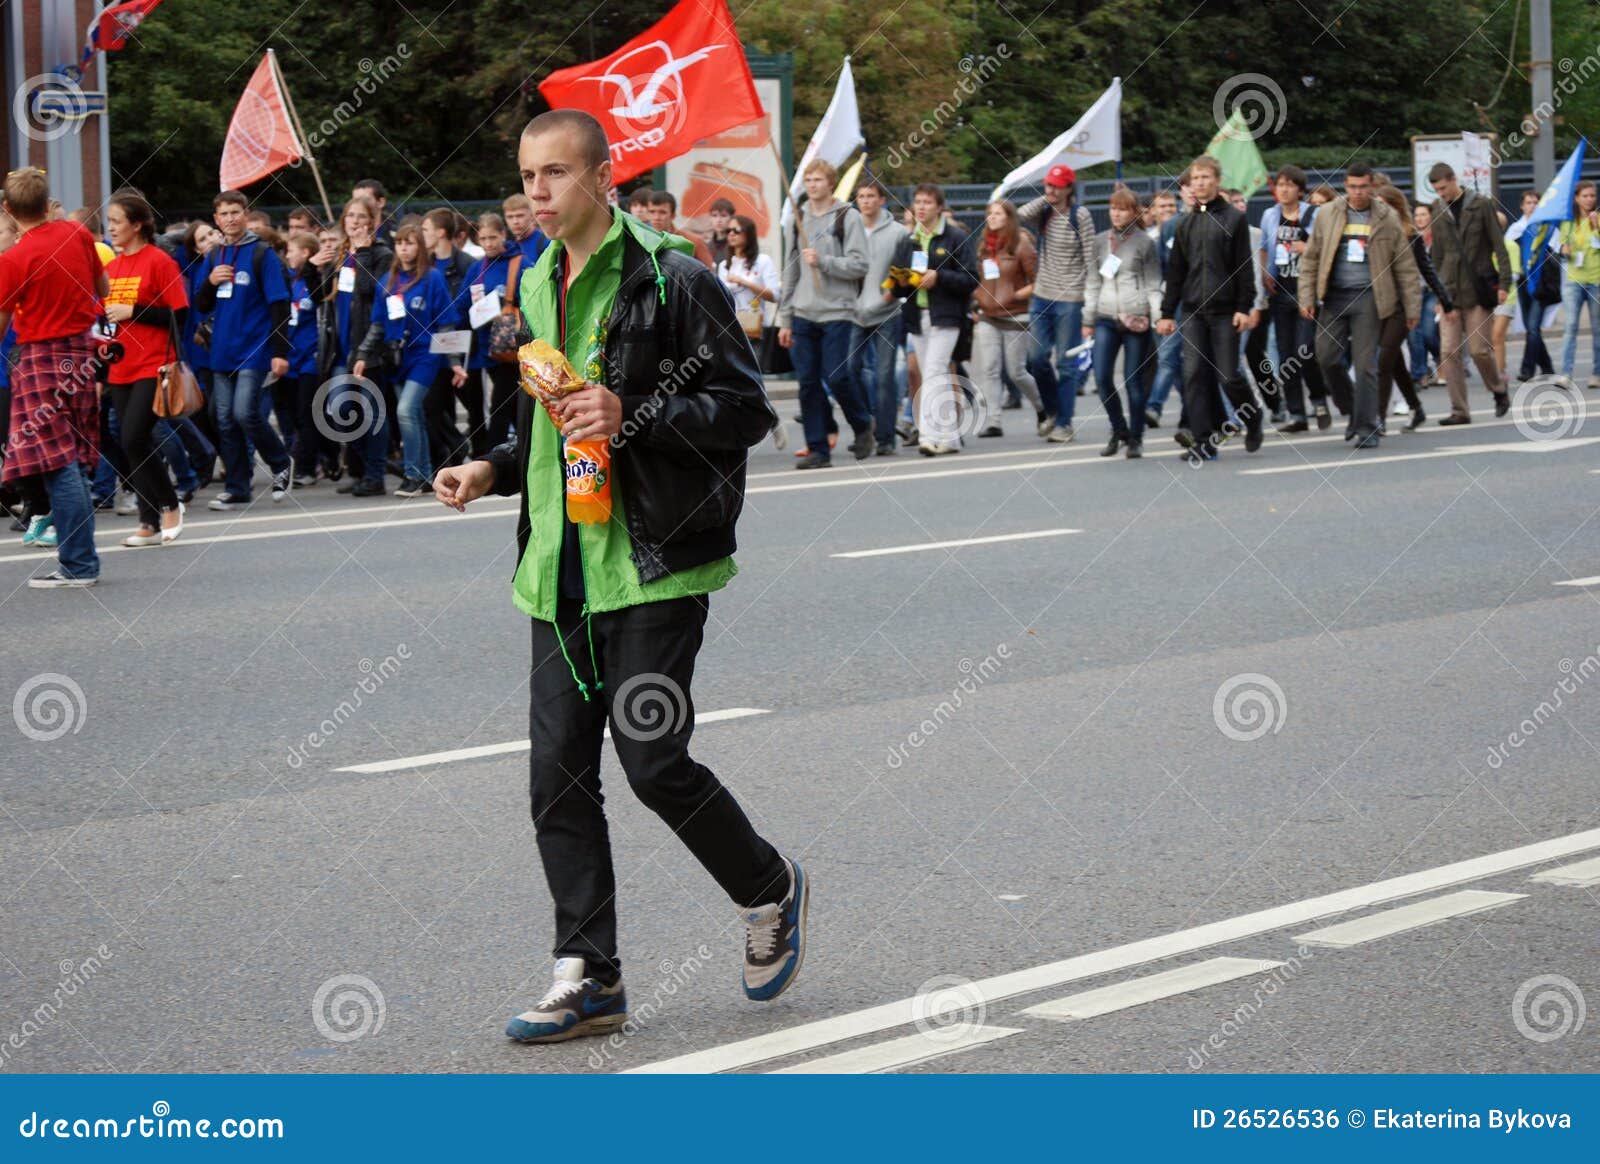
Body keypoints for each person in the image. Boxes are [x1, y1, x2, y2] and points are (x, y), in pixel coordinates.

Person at [433, 110, 803, 1043]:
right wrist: (493, 466)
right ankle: (590, 977)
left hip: (652, 567)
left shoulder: (672, 277)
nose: (537, 192)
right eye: (527, 175)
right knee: (555, 783)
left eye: (556, 174)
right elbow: (556, 420)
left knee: (653, 764)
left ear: (603, 177)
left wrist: (634, 408)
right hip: (557, 569)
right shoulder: (533, 278)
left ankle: (770, 887)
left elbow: (745, 409)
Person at [0, 168, 108, 587]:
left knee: (59, 466)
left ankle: (79, 565)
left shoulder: (13, 259)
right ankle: (81, 560)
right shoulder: (77, 234)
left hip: (42, 356)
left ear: (8, 209)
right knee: (73, 462)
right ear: (47, 203)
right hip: (80, 352)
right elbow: (103, 285)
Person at [1299, 162, 1420, 449]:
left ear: (1372, 186)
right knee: (1326, 357)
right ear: (1345, 185)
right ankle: (1353, 410)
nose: (1358, 192)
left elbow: (1405, 266)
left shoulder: (1386, 216)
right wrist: (1305, 297)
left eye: (1363, 187)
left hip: (1369, 297)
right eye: (1352, 187)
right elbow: (1312, 258)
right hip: (1334, 296)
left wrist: (1412, 308)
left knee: (1366, 365)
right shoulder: (1328, 213)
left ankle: (1367, 427)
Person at [191, 190, 293, 509]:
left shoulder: (262, 254)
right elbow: (200, 303)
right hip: (221, 351)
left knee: (244, 412)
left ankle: (280, 463)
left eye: (236, 212)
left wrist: (280, 352)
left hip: (255, 348)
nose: (231, 218)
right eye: (224, 214)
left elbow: (280, 306)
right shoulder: (213, 256)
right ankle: (238, 487)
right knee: (224, 419)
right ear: (216, 219)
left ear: (246, 214)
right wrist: (209, 281)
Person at [1157, 155, 1260, 462]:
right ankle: (1203, 442)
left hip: (1225, 310)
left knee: (1228, 376)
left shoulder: (1233, 219)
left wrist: (1244, 306)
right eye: (1195, 178)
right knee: (1194, 375)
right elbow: (1176, 272)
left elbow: (1244, 266)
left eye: (1205, 177)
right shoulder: (1185, 223)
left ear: (1216, 181)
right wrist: (1165, 313)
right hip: (1192, 311)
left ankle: (1252, 418)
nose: (1199, 183)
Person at [101, 190, 189, 546]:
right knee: (132, 442)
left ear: (137, 225)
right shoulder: (110, 268)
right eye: (108, 222)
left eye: (117, 222)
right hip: (120, 365)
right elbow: (105, 322)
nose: (111, 229)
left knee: (134, 436)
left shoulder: (158, 261)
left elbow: (178, 314)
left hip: (154, 364)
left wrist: (133, 311)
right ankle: (147, 521)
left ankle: (170, 504)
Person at [350, 224, 463, 497]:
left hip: (425, 355)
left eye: (410, 243)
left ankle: (413, 474)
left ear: (420, 247)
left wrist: (455, 362)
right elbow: (377, 325)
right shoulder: (388, 281)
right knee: (414, 416)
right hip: (397, 357)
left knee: (405, 410)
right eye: (400, 243)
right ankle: (423, 475)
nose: (404, 248)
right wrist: (363, 355)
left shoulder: (433, 278)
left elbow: (445, 324)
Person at [776, 158, 875, 469]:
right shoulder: (798, 217)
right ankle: (818, 448)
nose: (812, 185)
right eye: (808, 180)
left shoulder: (848, 216)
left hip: (838, 310)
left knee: (837, 375)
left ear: (830, 183)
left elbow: (860, 264)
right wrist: (785, 316)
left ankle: (862, 424)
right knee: (807, 382)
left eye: (818, 180)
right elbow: (791, 268)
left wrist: (825, 262)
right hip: (805, 311)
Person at [308, 196, 393, 492]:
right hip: (340, 347)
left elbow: (372, 291)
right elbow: (320, 296)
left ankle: (374, 476)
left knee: (371, 412)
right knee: (338, 409)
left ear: (371, 222)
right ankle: (360, 468)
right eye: (350, 216)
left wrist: (365, 250)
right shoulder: (342, 253)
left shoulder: (381, 253)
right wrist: (315, 268)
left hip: (366, 346)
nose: (354, 222)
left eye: (361, 217)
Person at [891, 182, 976, 456]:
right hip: (918, 315)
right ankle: (950, 437)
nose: (921, 207)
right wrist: (901, 280)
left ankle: (927, 435)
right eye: (918, 202)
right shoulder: (909, 240)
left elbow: (971, 278)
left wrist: (939, 278)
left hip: (947, 316)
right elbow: (897, 282)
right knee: (933, 372)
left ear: (939, 207)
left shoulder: (955, 238)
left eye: (927, 203)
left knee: (934, 370)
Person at [1426, 162, 1513, 423]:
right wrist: (1439, 296)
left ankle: (1498, 389)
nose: (1441, 194)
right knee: (1449, 352)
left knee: (1479, 350)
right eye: (1437, 190)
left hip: (1478, 289)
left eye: (1443, 188)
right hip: (1450, 292)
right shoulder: (1437, 210)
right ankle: (1459, 410)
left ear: (1453, 179)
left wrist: (1505, 284)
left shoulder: (1481, 204)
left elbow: (1499, 247)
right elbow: (1437, 256)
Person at [1017, 164, 1095, 442]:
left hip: (1070, 300)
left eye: (1057, 186)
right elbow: (1019, 215)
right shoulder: (1044, 211)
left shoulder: (1080, 215)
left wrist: (1091, 302)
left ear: (1069, 188)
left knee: (1066, 363)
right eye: (1048, 185)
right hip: (1042, 296)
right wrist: (1046, 198)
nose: (1050, 189)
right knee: (1036, 359)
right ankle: (1052, 411)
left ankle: (1064, 422)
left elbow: (1090, 258)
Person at [1083, 188, 1161, 458]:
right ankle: (1119, 429)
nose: (1117, 213)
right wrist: (1088, 318)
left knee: (1133, 381)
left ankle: (1136, 438)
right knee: (1102, 377)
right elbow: (1093, 282)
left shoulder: (1145, 243)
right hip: (1105, 316)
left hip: (1136, 317)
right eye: (1113, 208)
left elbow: (1153, 285)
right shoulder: (1099, 242)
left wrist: (1158, 317)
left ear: (1134, 212)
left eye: (1123, 208)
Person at [1259, 164, 1329, 432]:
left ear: (1300, 189)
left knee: (1306, 351)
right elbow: (1265, 246)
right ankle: (1297, 414)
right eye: (1280, 184)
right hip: (1281, 290)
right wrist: (1265, 273)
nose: (1284, 189)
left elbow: (1326, 246)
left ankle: (1319, 399)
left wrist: (1307, 247)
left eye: (1289, 185)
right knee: (1287, 355)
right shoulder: (1270, 215)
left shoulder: (1314, 213)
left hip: (1306, 291)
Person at [973, 199, 1046, 439]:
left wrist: (1016, 294)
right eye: (989, 213)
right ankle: (993, 421)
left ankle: (1042, 408)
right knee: (990, 369)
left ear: (1009, 218)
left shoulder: (1021, 243)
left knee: (1017, 372)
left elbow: (1038, 280)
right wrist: (978, 298)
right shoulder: (984, 245)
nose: (992, 218)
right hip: (987, 315)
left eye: (998, 214)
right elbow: (978, 277)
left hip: (1016, 315)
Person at [847, 177, 911, 454]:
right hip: (853, 311)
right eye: (861, 196)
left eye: (871, 196)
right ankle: (864, 427)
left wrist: (890, 295)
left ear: (882, 200)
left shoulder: (898, 232)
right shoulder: (850, 228)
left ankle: (886, 438)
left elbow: (907, 270)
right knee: (848, 370)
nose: (866, 201)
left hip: (887, 311)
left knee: (885, 376)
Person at [1373, 185, 1437, 431]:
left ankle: (1379, 418)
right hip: (1381, 304)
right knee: (1394, 361)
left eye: (1383, 204)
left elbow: (1426, 270)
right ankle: (1416, 408)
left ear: (1396, 207)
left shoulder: (1411, 236)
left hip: (1404, 305)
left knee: (1383, 360)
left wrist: (1445, 300)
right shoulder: (1375, 233)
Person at [421, 207, 475, 469]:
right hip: (431, 339)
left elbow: (470, 302)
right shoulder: (427, 263)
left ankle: (460, 448)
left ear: (441, 232)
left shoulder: (465, 263)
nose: (423, 236)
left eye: (426, 230)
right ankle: (453, 447)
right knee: (433, 402)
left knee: (451, 400)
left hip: (457, 337)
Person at [464, 212, 517, 457]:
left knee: (500, 405)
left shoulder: (519, 263)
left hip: (509, 347)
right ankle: (520, 451)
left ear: (503, 235)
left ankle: (491, 458)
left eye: (493, 237)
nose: (488, 243)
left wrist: (504, 305)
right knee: (513, 406)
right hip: (484, 346)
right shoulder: (476, 268)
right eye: (483, 238)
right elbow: (460, 303)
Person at [1146, 169, 1196, 429]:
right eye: (1187, 186)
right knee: (1169, 356)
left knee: (1197, 362)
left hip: (1203, 302)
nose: (1192, 190)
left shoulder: (1213, 220)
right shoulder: (1170, 227)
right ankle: (1155, 407)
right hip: (1174, 302)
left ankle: (1225, 415)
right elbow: (1161, 269)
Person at [1506, 189, 1556, 384]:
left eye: (1536, 202)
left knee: (1533, 328)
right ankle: (1547, 367)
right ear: (1522, 206)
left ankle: (1527, 369)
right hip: (1522, 284)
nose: (1532, 206)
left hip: (1541, 285)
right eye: (1528, 203)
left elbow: (1555, 253)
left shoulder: (1547, 228)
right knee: (1531, 328)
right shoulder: (1515, 229)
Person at [1558, 179, 1600, 390]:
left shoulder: (1598, 218)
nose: (1589, 199)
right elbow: (1562, 246)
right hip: (1573, 281)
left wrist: (1596, 226)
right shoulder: (1568, 221)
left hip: (1596, 280)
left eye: (1592, 195)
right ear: (1576, 198)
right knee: (1571, 325)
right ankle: (1565, 373)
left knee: (1597, 328)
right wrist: (1564, 250)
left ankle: (1597, 373)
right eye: (1585, 196)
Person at [1409, 203, 1446, 387]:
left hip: (1432, 291)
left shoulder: (1439, 239)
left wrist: (1442, 297)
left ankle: (1441, 359)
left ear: (1431, 217)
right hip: (1414, 292)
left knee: (1429, 332)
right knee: (1415, 334)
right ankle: (1420, 374)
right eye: (1417, 215)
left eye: (1423, 214)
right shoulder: (1410, 238)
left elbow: (1443, 269)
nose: (1420, 218)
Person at [644, 190, 714, 268]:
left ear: (673, 215)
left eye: (662, 212)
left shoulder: (694, 243)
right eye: (652, 212)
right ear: (647, 214)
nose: (656, 217)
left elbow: (709, 276)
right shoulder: (641, 242)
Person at [352, 179, 394, 245]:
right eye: (355, 201)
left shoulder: (396, 234)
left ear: (381, 202)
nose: (359, 204)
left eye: (365, 200)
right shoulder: (347, 233)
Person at [706, 197, 735, 268]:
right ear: (710, 218)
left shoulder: (738, 246)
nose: (718, 220)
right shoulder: (706, 247)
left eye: (723, 215)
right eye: (714, 215)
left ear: (732, 218)